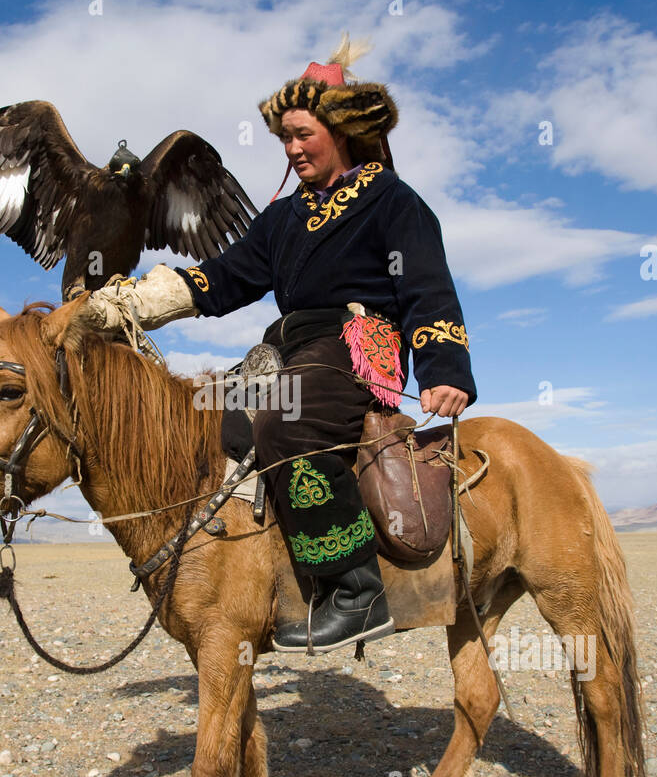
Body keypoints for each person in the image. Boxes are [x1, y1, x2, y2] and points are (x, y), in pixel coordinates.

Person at [84, 38, 476, 653]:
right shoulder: (283, 217)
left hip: (352, 345)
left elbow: (428, 289)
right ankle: (250, 579)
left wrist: (444, 369)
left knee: (287, 430)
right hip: (287, 349)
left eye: (303, 135)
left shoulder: (392, 202)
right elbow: (224, 276)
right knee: (203, 413)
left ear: (341, 130)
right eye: (285, 139)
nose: (292, 150)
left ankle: (355, 587)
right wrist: (131, 304)